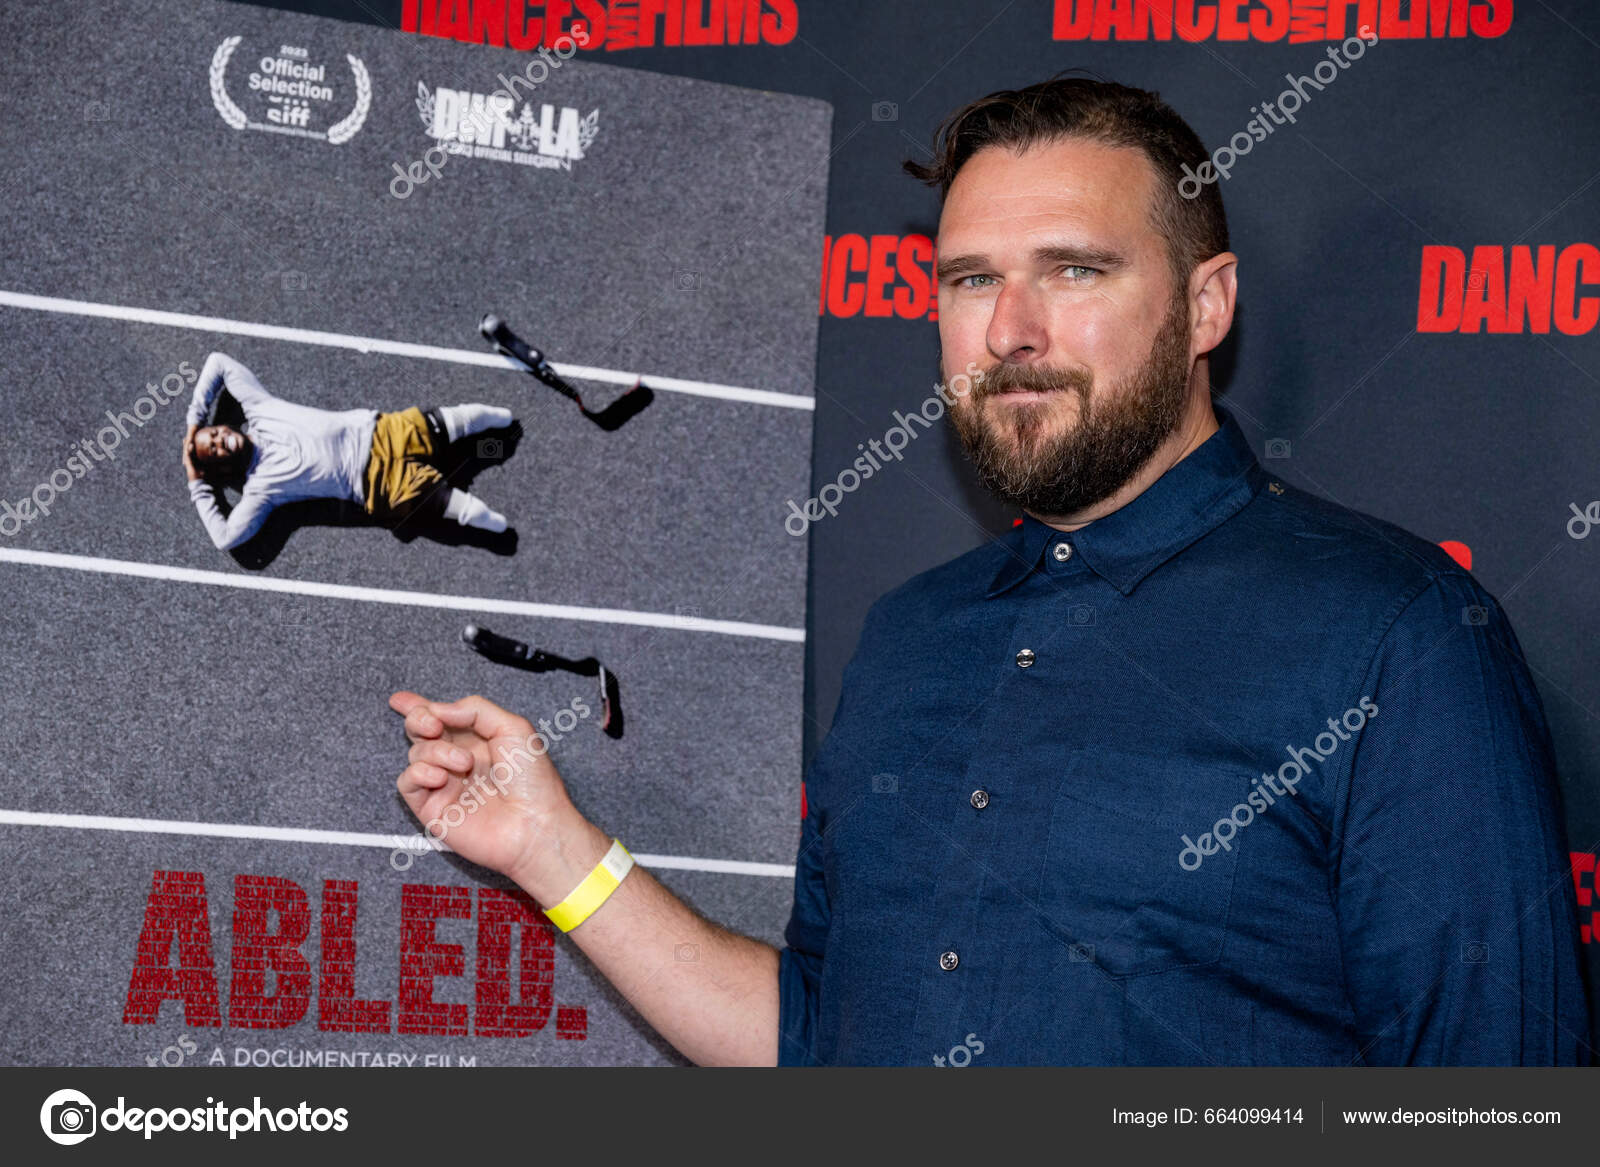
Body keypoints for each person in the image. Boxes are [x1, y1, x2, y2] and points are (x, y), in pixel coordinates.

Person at [388, 77, 1589, 1066]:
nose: (1009, 328)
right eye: (970, 279)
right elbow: (818, 1044)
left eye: (1074, 270)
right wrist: (553, 850)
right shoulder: (915, 634)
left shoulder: (1397, 634)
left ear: (1206, 304)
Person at [182, 350, 514, 550]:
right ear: (223, 469)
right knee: (476, 514)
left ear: (221, 426)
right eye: (213, 451)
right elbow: (225, 538)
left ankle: (510, 425)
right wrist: (196, 482)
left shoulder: (259, 407)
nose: (217, 442)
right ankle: (502, 533)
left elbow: (218, 362)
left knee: (474, 415)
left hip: (384, 432)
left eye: (212, 435)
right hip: (381, 486)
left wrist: (194, 422)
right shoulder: (260, 491)